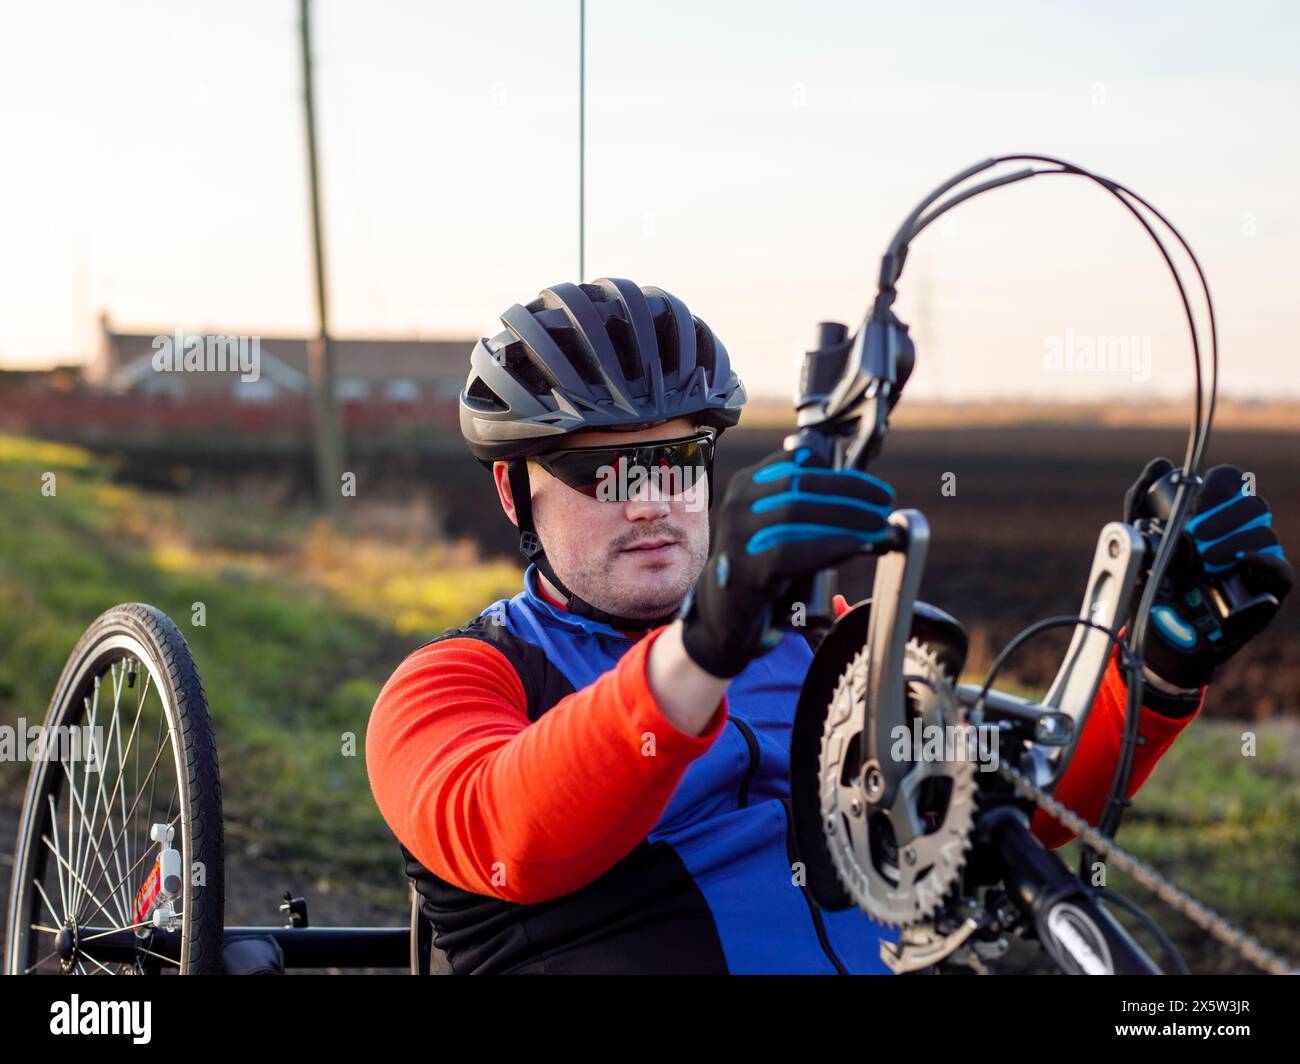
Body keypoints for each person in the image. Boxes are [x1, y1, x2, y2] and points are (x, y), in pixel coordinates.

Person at [365, 278, 1291, 974]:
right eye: (604, 474)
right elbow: (508, 832)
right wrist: (700, 649)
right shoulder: (457, 682)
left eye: (677, 460)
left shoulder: (819, 644)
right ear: (512, 490)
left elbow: (1014, 814)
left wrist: (1161, 671)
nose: (650, 503)